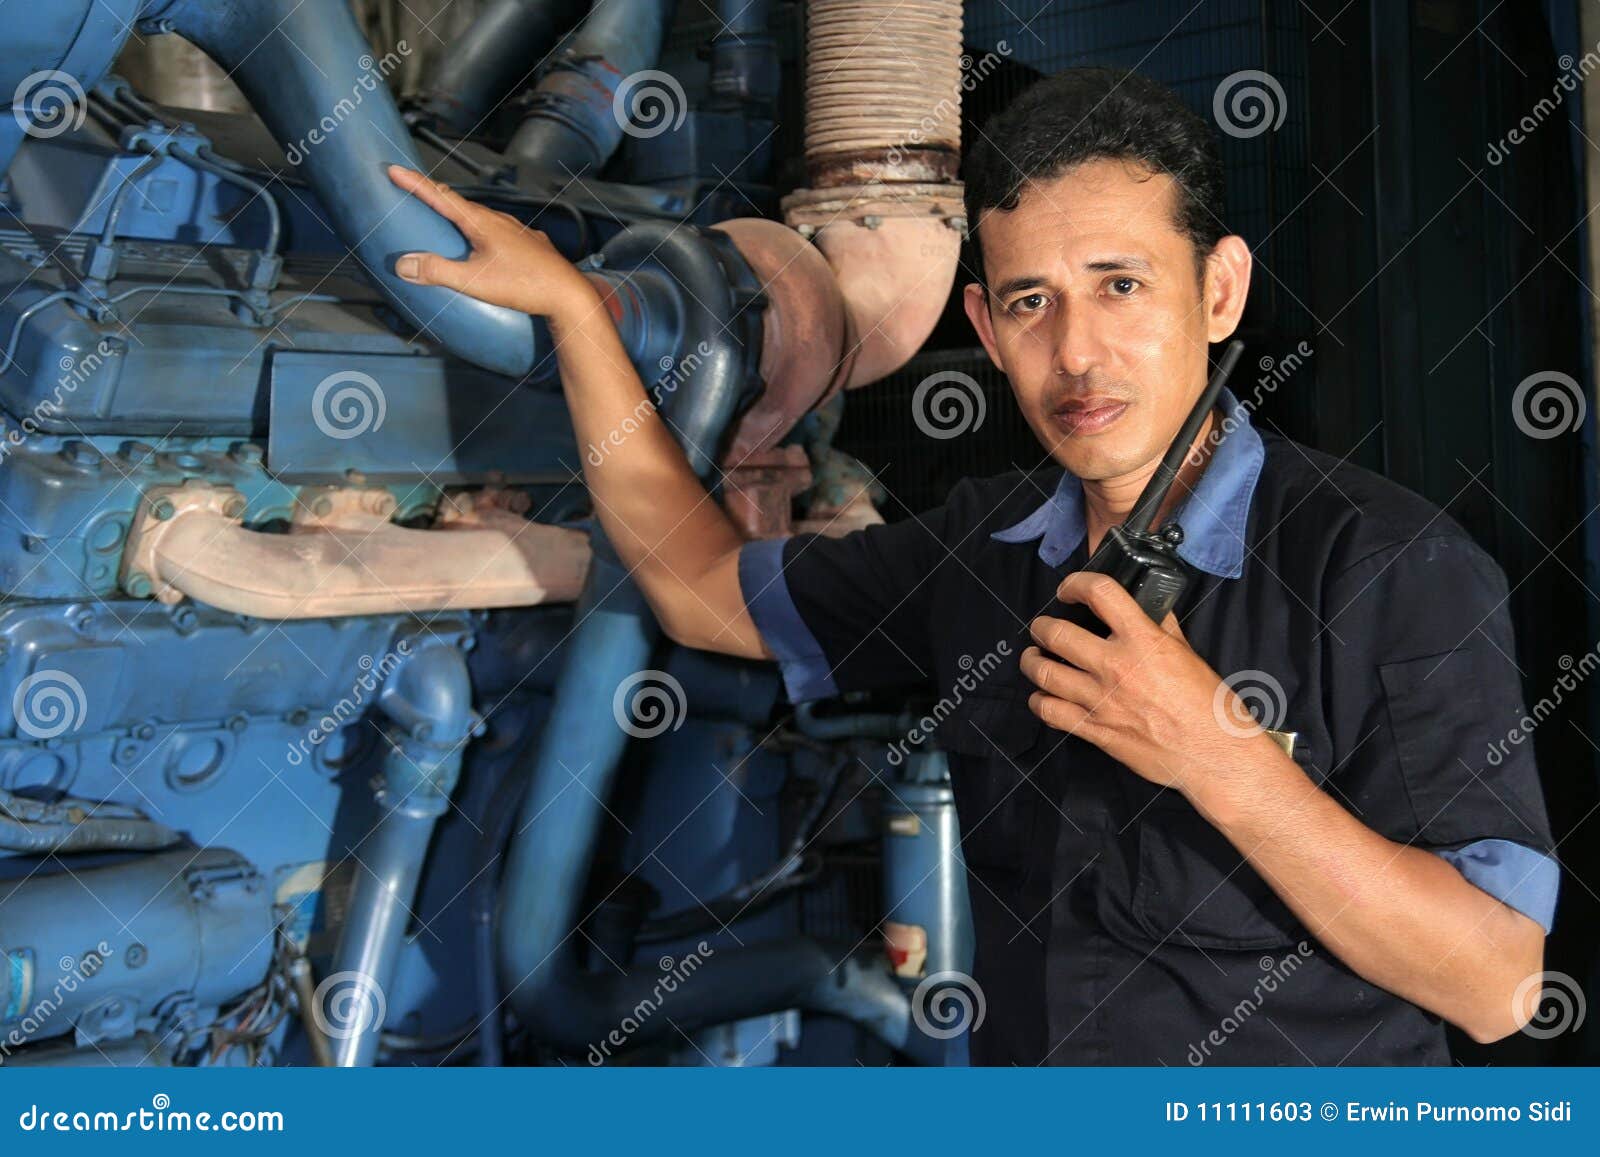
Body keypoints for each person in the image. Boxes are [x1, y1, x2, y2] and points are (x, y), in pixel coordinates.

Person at [384, 66, 1556, 1065]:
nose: (1078, 352)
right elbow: (698, 588)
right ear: (987, 334)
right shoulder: (985, 547)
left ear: (1219, 291)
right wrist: (582, 319)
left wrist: (1219, 755)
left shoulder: (1388, 565)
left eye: (1121, 285)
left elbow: (1495, 982)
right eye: (1033, 304)